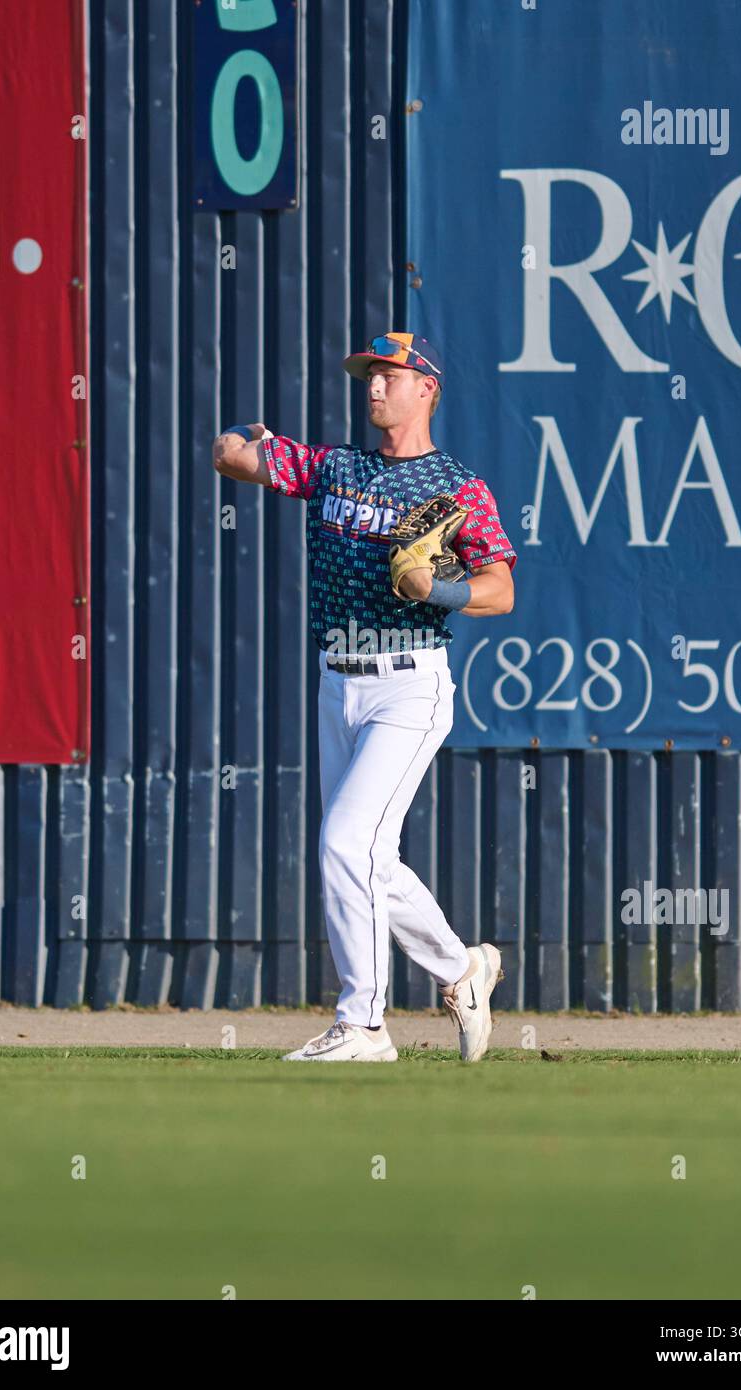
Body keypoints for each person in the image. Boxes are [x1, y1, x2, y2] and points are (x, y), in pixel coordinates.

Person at [212, 332, 517, 1062]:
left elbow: (500, 592)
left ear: (426, 390)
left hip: (409, 683)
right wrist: (239, 435)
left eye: (390, 375)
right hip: (336, 680)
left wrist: (435, 588)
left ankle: (364, 1026)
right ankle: (461, 968)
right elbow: (229, 458)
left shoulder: (456, 487)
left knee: (345, 844)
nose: (374, 386)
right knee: (370, 859)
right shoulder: (333, 467)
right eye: (368, 375)